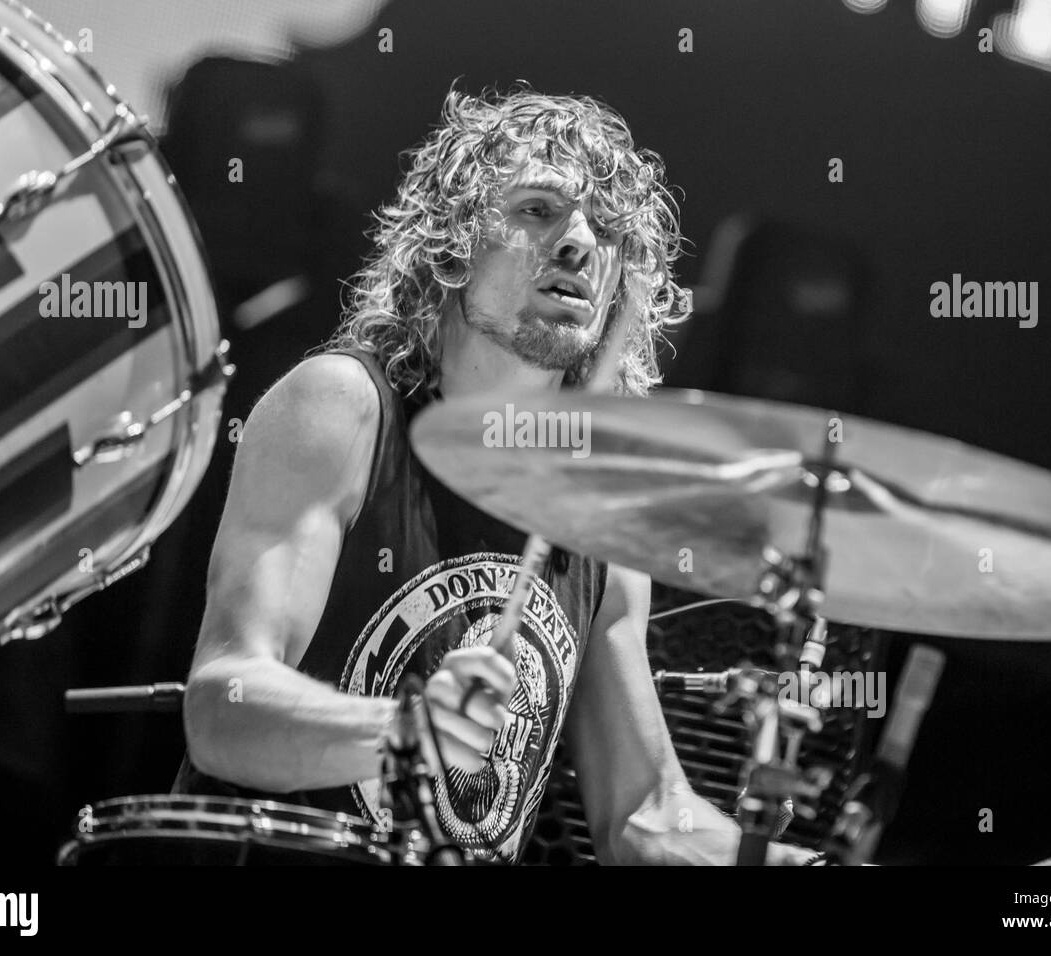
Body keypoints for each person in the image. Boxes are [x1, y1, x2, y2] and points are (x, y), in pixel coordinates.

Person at [175, 83, 810, 865]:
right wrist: (405, 730)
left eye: (607, 230)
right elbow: (223, 708)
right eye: (538, 210)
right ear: (448, 243)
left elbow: (642, 815)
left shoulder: (594, 521)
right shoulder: (343, 410)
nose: (579, 244)